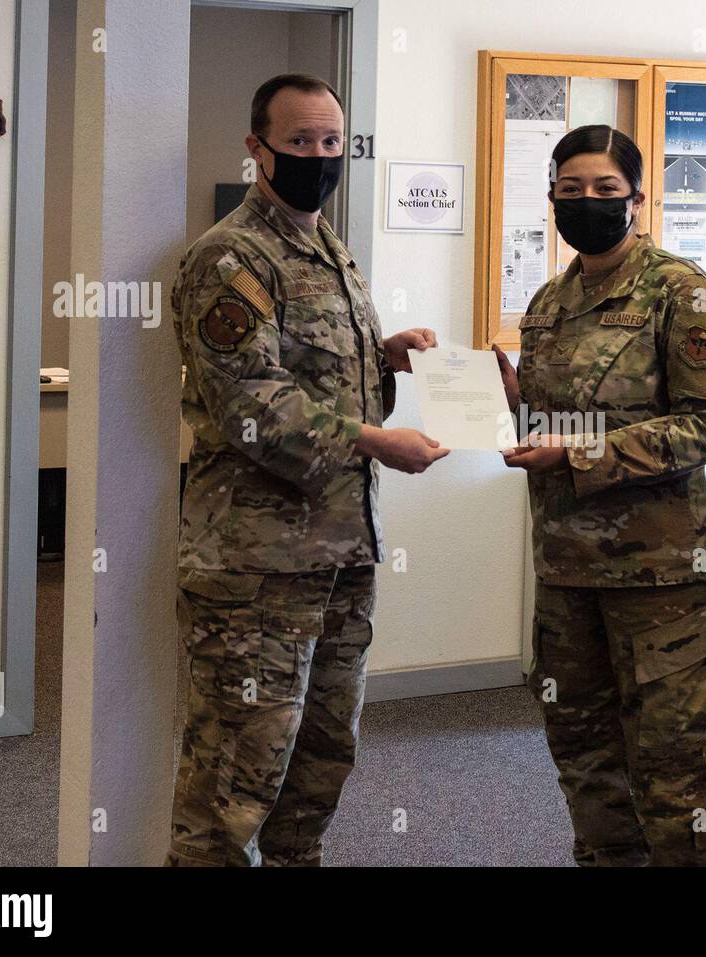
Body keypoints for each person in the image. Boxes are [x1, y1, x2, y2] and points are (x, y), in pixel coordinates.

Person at [166, 73, 447, 866]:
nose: (319, 157)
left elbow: (336, 386)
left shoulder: (330, 250)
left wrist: (384, 360)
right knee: (231, 787)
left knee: (318, 768)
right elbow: (252, 408)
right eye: (299, 142)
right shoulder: (230, 258)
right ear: (257, 148)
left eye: (331, 143)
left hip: (341, 558)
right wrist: (372, 440)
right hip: (256, 573)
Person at [493, 125, 706, 866]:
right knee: (587, 770)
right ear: (552, 199)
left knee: (670, 780)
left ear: (638, 196)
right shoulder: (547, 301)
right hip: (569, 578)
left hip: (662, 583)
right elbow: (552, 428)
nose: (588, 203)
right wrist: (513, 407)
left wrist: (578, 451)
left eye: (605, 190)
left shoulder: (679, 291)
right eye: (571, 192)